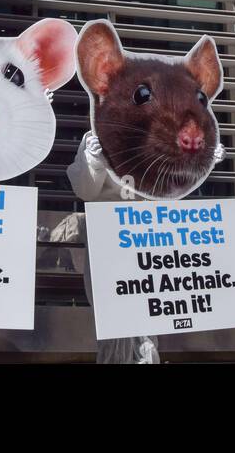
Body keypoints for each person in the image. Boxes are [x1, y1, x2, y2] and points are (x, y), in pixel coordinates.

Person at [67, 130, 160, 364]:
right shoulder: (95, 133)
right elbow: (85, 190)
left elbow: (171, 187)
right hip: (106, 237)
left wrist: (199, 161)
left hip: (147, 233)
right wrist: (93, 159)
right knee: (110, 318)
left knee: (148, 313)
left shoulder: (159, 129)